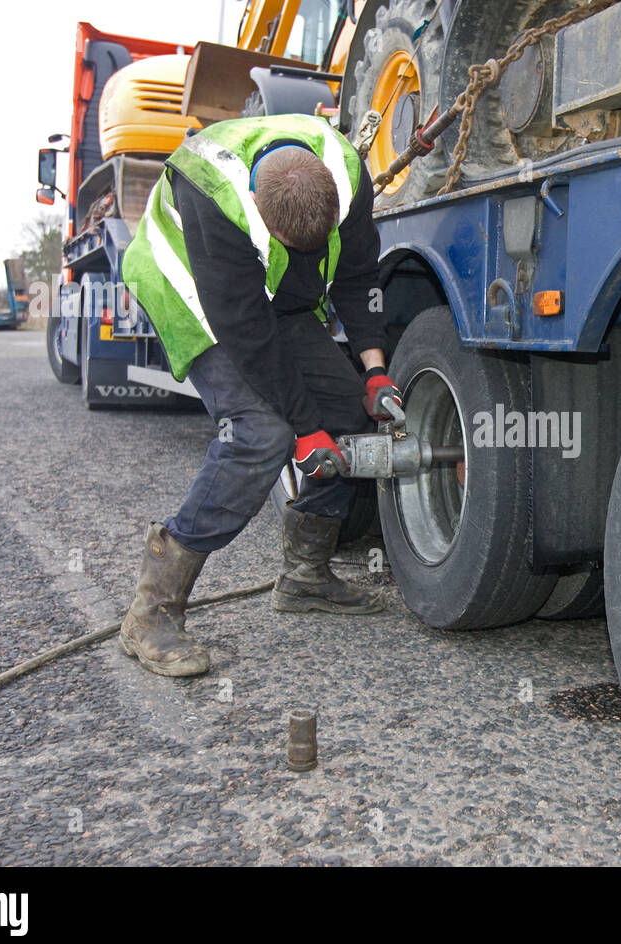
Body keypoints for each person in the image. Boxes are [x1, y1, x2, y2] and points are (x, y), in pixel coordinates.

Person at [116, 113, 401, 678]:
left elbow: (358, 275)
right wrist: (303, 428)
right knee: (260, 433)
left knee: (347, 412)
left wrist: (374, 369)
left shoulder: (346, 172)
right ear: (259, 208)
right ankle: (151, 612)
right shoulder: (211, 191)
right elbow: (246, 330)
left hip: (271, 293)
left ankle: (306, 577)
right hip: (191, 288)